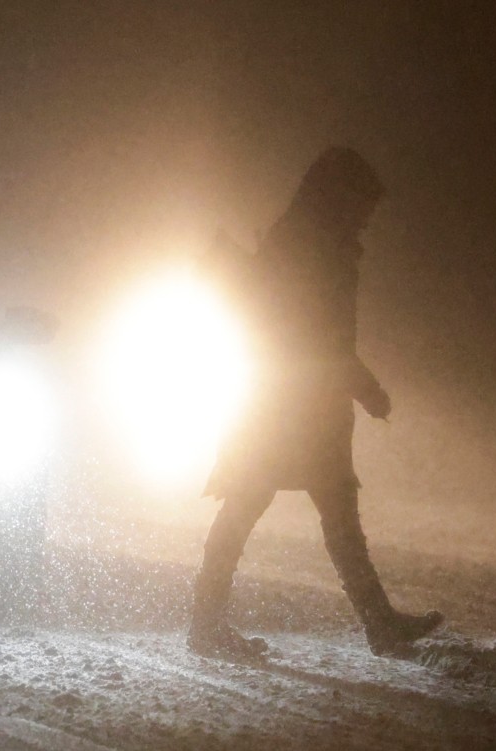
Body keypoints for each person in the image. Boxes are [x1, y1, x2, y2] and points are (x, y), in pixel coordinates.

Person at [189, 147, 443, 659]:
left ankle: (209, 624)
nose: (367, 217)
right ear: (339, 197)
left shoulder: (308, 242)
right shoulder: (316, 249)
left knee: (280, 506)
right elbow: (320, 338)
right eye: (363, 204)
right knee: (267, 506)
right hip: (291, 406)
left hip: (288, 404)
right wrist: (364, 386)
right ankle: (209, 626)